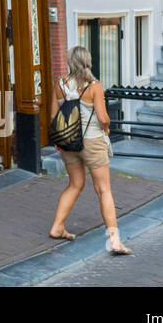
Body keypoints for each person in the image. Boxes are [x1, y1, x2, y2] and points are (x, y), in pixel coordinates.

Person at [48, 45, 132, 255]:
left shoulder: (59, 85)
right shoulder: (94, 86)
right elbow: (103, 118)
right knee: (103, 189)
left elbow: (52, 117)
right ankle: (114, 240)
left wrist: (58, 142)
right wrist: (107, 126)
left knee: (75, 184)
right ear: (88, 62)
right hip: (92, 142)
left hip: (68, 143)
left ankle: (57, 227)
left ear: (70, 62)